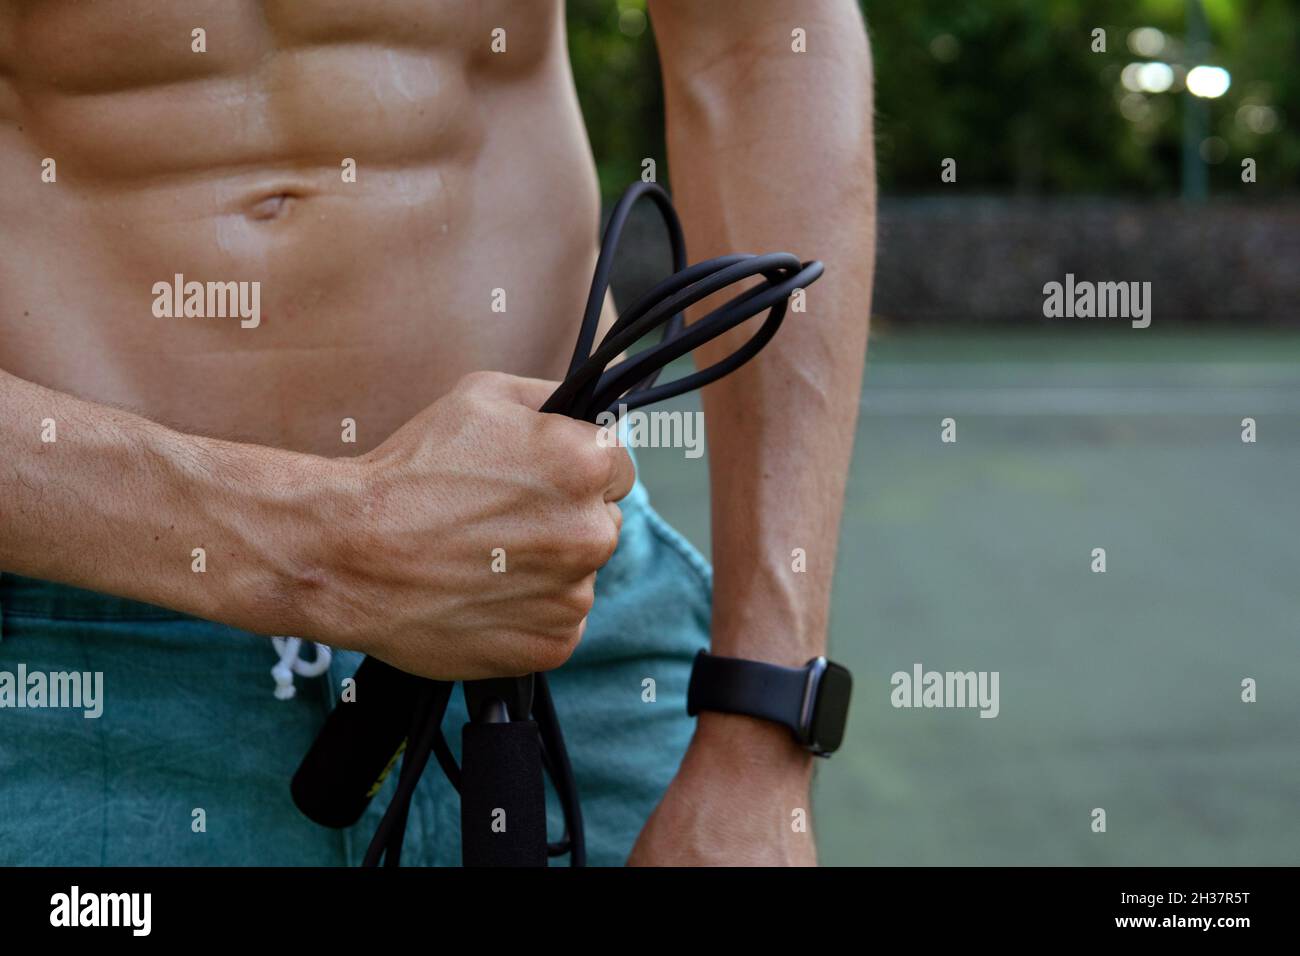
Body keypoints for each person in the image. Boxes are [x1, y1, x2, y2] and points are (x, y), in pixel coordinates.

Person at [0, 0, 874, 865]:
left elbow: (758, 40)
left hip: (561, 612)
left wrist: (760, 719)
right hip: (69, 653)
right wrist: (325, 546)